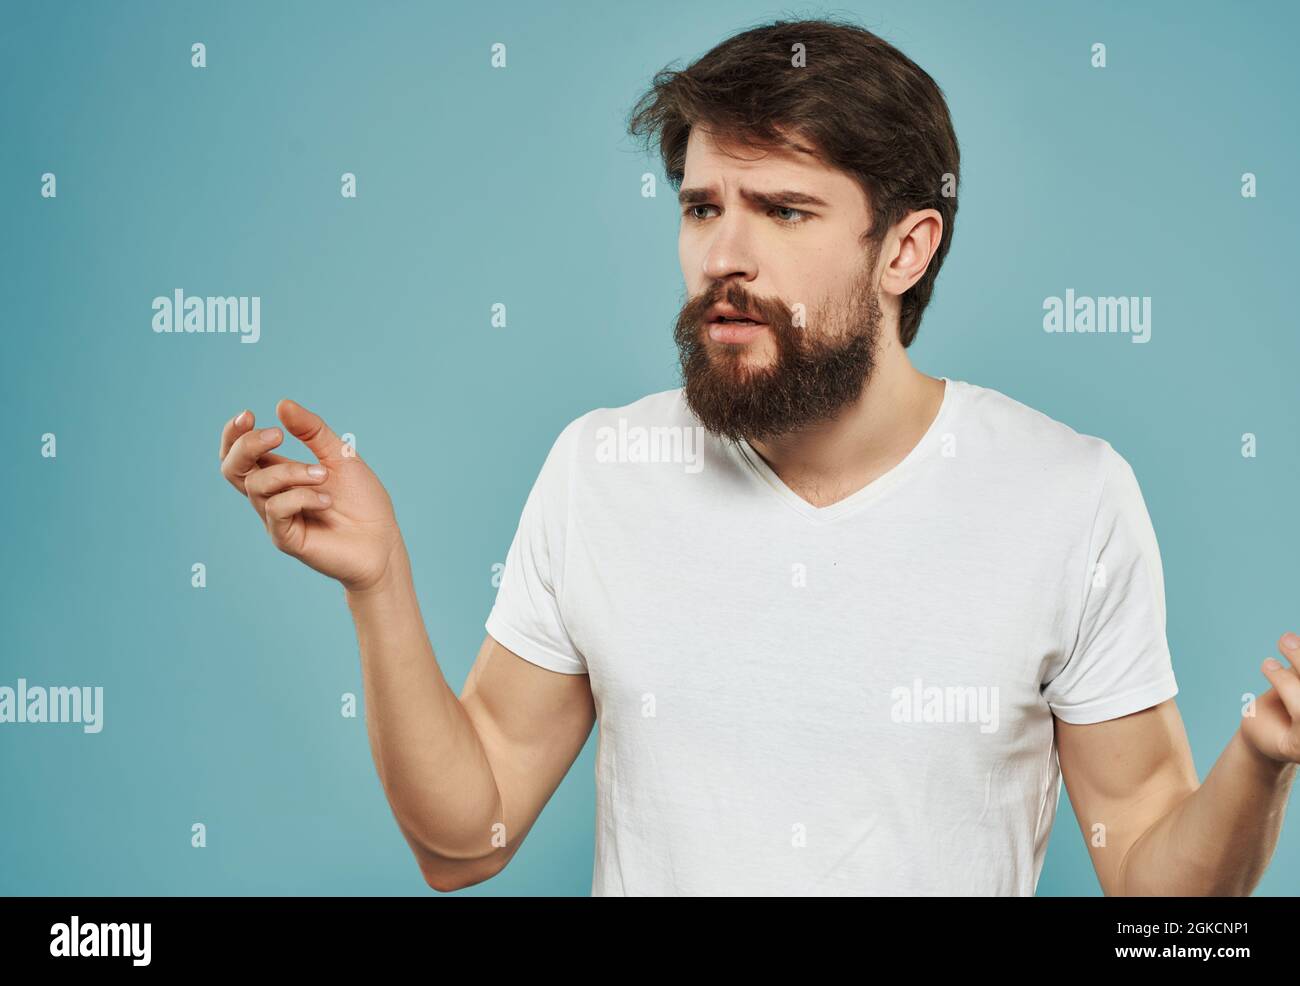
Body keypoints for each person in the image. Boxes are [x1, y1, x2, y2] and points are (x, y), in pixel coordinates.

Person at [217, 17, 1298, 895]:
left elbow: (1167, 904)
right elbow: (463, 840)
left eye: (783, 210)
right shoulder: (602, 467)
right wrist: (380, 582)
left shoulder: (1070, 497)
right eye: (701, 207)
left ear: (904, 247)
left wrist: (1259, 756)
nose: (723, 257)